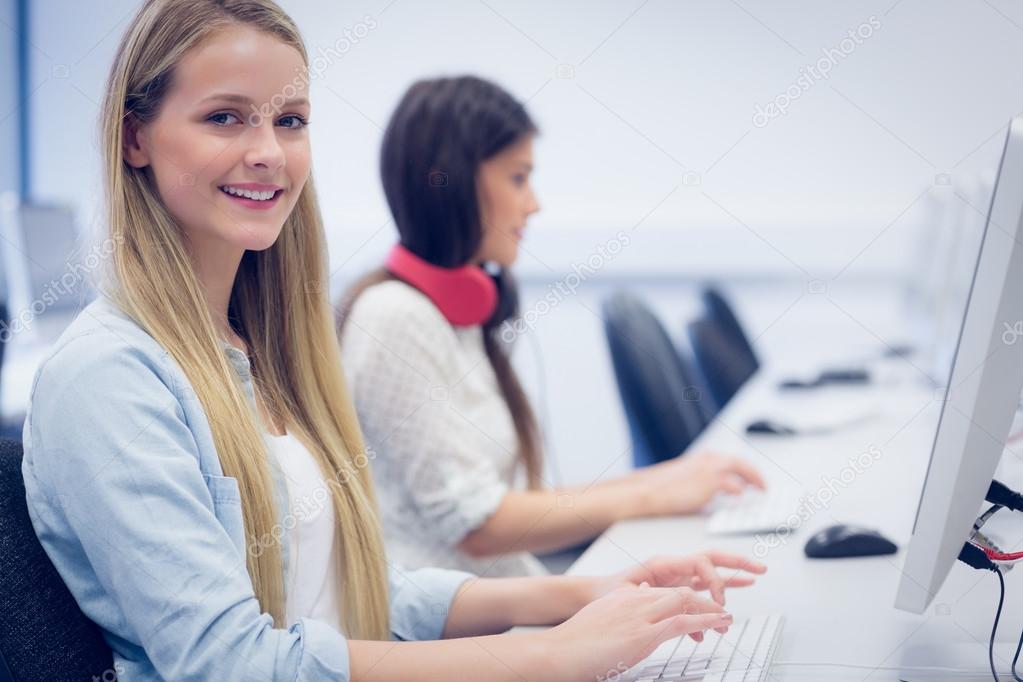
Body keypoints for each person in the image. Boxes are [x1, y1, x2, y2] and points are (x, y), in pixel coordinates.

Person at [22, 2, 763, 679]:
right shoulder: (109, 378)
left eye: (291, 121)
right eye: (224, 118)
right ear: (134, 138)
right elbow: (234, 662)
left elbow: (361, 591)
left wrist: (582, 593)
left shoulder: (266, 349)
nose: (269, 153)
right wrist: (552, 655)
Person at [339, 75, 766, 577]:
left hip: (506, 603)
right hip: (454, 636)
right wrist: (654, 492)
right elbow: (477, 525)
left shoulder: (454, 313)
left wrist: (671, 477)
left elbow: (499, 505)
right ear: (450, 181)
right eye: (518, 178)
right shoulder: (395, 317)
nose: (534, 203)